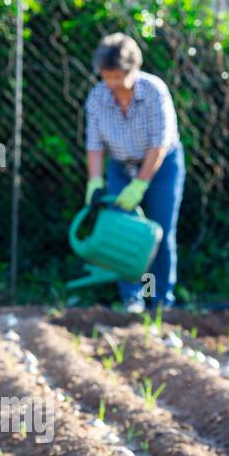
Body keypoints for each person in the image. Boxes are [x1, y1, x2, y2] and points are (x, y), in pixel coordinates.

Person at [82, 33, 186, 315]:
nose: (112, 83)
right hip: (120, 166)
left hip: (161, 166)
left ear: (132, 69)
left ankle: (163, 300)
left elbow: (159, 143)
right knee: (122, 232)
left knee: (160, 232)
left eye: (116, 76)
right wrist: (95, 181)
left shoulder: (154, 91)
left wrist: (140, 185)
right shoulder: (98, 97)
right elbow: (94, 145)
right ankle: (132, 299)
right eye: (106, 76)